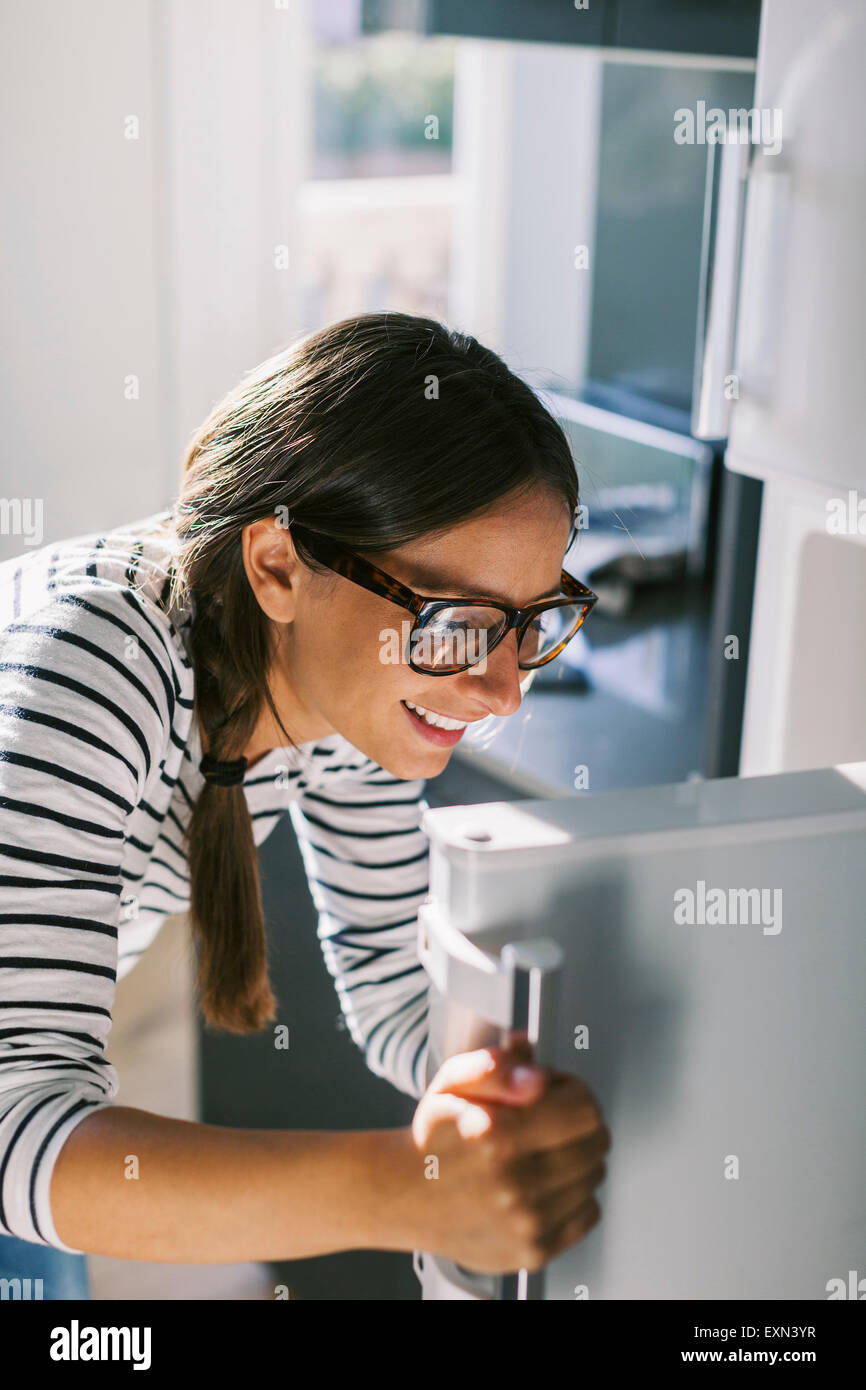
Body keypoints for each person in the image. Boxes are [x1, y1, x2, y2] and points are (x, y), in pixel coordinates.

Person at [0, 310, 608, 1298]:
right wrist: (402, 1189)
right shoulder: (90, 663)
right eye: (456, 623)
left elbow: (388, 984)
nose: (503, 691)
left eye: (532, 621)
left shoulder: (355, 697)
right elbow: (15, 1125)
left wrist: (519, 1096)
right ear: (279, 565)